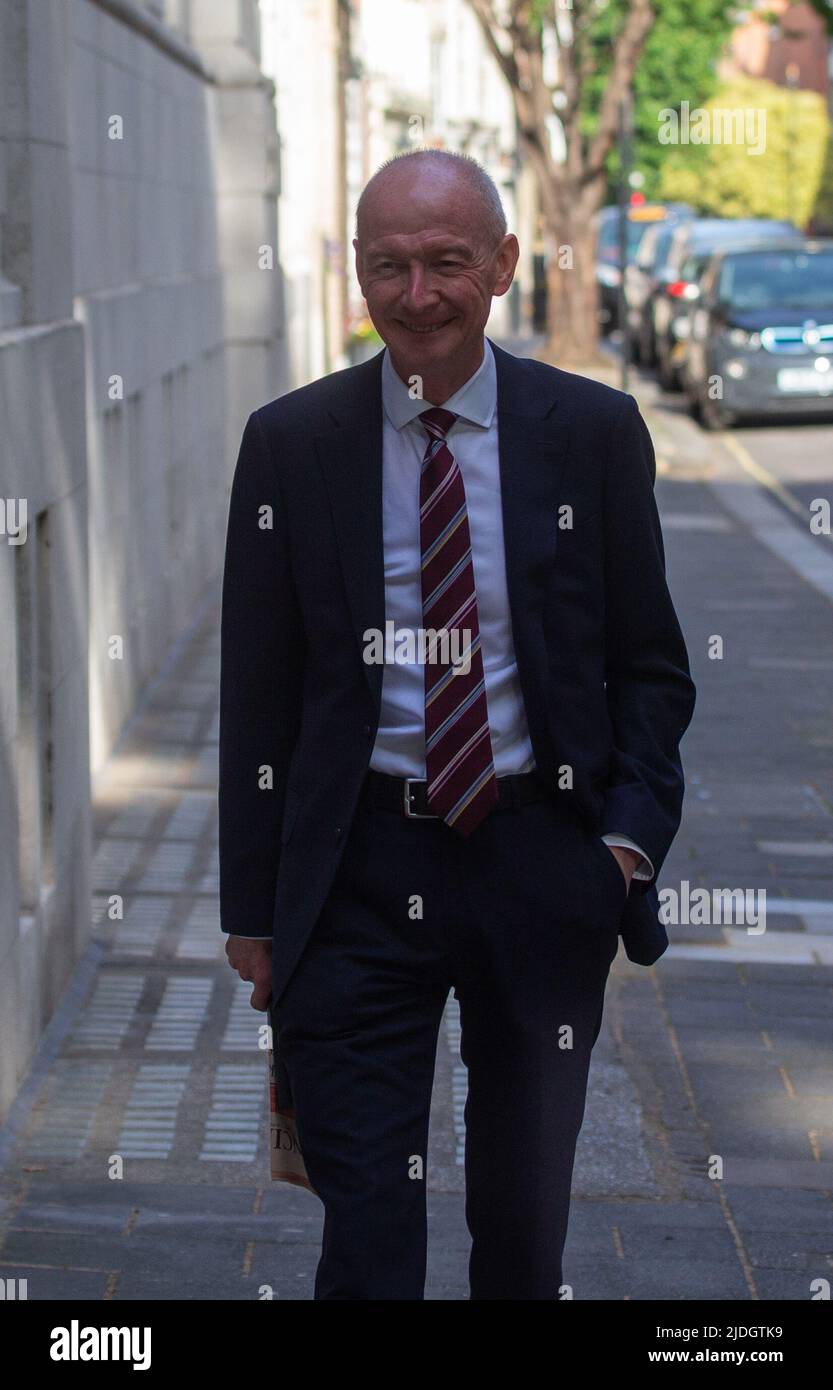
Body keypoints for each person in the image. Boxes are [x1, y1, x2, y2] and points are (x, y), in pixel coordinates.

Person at [219, 149, 695, 1301]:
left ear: (502, 265)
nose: (417, 293)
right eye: (389, 266)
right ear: (356, 274)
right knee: (367, 1231)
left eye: (444, 263)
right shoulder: (293, 443)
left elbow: (649, 665)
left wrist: (621, 847)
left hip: (540, 859)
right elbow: (258, 696)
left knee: (522, 1235)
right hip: (355, 872)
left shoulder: (589, 432)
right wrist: (253, 912)